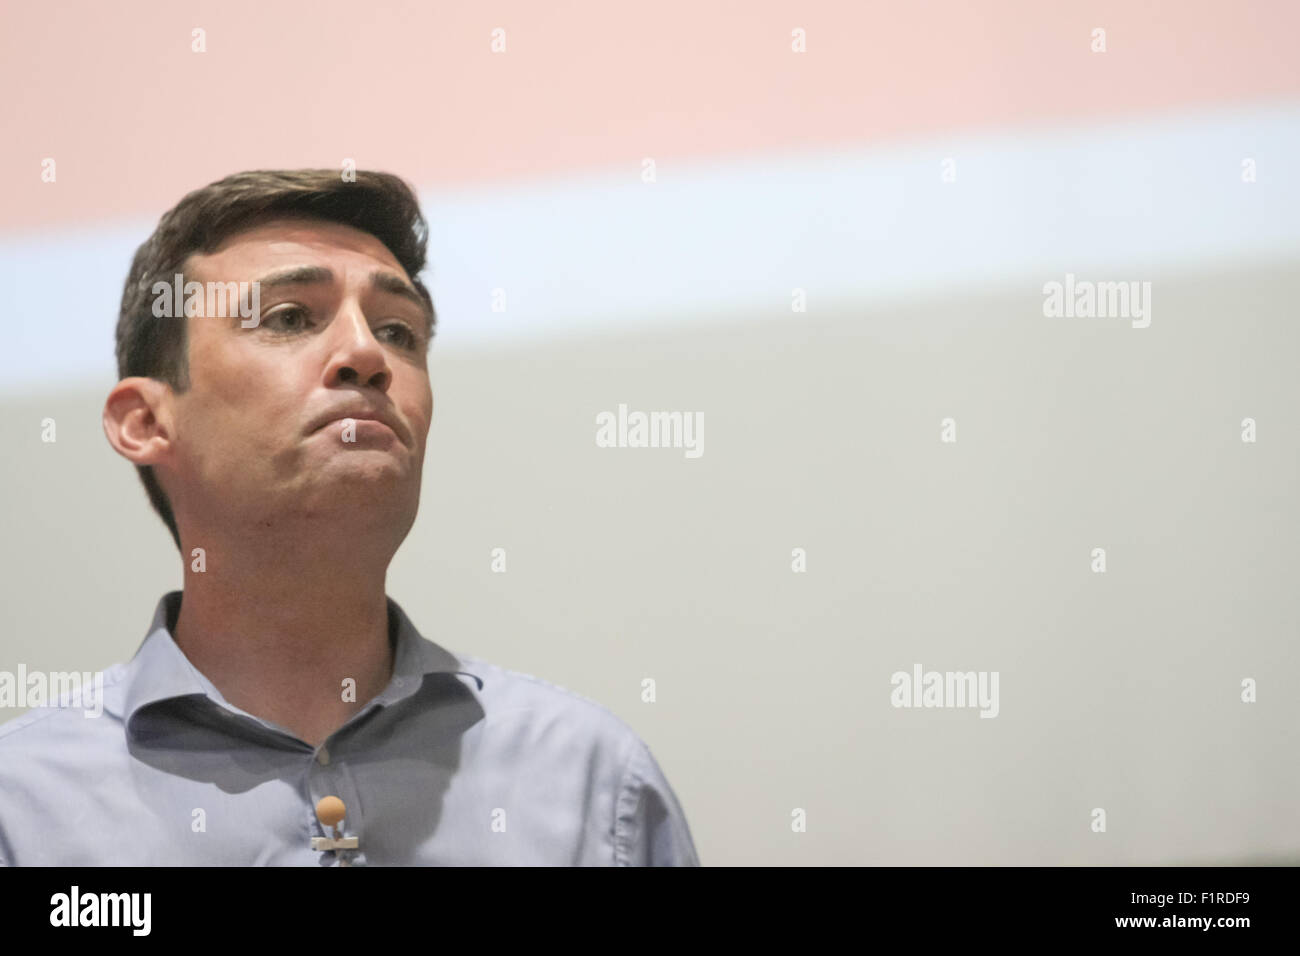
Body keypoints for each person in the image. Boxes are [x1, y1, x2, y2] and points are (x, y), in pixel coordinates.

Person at [0, 169, 699, 866]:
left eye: (399, 331)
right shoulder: (22, 808)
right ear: (147, 422)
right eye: (290, 318)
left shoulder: (596, 789)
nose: (368, 355)